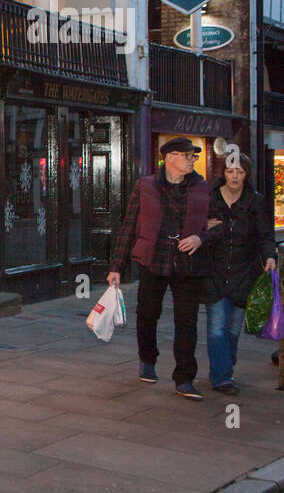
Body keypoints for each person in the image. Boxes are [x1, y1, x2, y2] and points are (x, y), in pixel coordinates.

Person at [108, 137, 219, 400]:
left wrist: (201, 237)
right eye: (188, 155)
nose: (193, 160)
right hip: (153, 260)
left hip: (187, 263)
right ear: (170, 158)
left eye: (194, 156)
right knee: (148, 313)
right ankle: (147, 359)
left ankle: (184, 378)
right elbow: (128, 226)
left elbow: (222, 224)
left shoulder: (203, 187)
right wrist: (117, 267)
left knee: (187, 321)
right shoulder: (145, 185)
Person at [202, 153, 276, 394]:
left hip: (244, 272)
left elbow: (265, 235)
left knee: (233, 328)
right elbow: (192, 225)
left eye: (240, 172)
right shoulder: (209, 198)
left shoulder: (255, 201)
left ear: (247, 174)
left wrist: (270, 256)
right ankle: (222, 377)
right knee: (217, 327)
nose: (234, 176)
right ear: (223, 173)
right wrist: (203, 227)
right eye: (230, 171)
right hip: (215, 269)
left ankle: (224, 364)